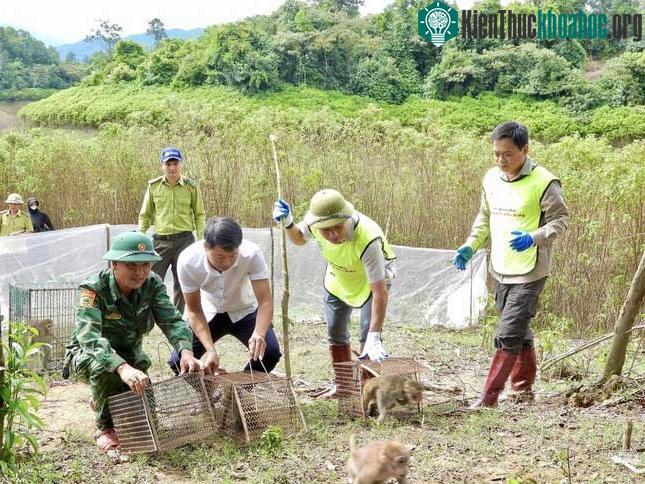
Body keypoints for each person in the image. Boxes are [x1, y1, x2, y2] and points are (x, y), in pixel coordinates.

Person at [63, 231, 217, 452]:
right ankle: (104, 428)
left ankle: (103, 399)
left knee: (143, 416)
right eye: (132, 266)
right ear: (114, 264)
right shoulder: (93, 289)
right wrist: (122, 367)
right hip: (87, 355)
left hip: (131, 355)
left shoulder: (151, 284)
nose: (140, 272)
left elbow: (172, 320)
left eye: (146, 265)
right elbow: (89, 338)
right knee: (105, 369)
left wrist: (185, 352)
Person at [452, 120, 568, 408]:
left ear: (525, 149)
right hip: (501, 266)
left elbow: (561, 221)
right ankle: (522, 389)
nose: (501, 160)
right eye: (496, 154)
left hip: (530, 270)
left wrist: (534, 237)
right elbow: (484, 217)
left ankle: (488, 397)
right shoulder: (491, 179)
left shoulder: (545, 182)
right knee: (519, 329)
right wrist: (470, 245)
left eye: (508, 154)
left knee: (507, 331)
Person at [273, 189, 396, 397]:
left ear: (347, 218)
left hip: (370, 283)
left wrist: (375, 336)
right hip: (338, 278)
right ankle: (344, 386)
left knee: (368, 333)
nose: (333, 235)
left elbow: (379, 291)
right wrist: (288, 223)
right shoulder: (315, 224)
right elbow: (298, 239)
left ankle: (368, 392)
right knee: (335, 330)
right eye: (325, 230)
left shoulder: (368, 238)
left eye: (338, 227)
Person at [168, 217, 282, 373]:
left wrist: (259, 333)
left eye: (233, 255)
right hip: (208, 312)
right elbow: (194, 310)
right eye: (220, 256)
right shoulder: (188, 261)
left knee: (269, 353)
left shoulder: (252, 254)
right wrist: (211, 350)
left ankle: (238, 393)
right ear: (206, 247)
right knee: (179, 360)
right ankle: (209, 390)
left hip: (245, 311)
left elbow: (265, 302)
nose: (227, 262)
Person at [138, 146, 206, 314]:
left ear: (181, 164)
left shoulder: (191, 187)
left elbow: (199, 214)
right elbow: (145, 215)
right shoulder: (154, 187)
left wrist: (202, 240)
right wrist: (141, 237)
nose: (172, 168)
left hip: (184, 242)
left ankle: (176, 319)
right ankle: (148, 317)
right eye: (168, 164)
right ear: (162, 165)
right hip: (160, 241)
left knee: (183, 283)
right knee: (150, 281)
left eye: (175, 163)